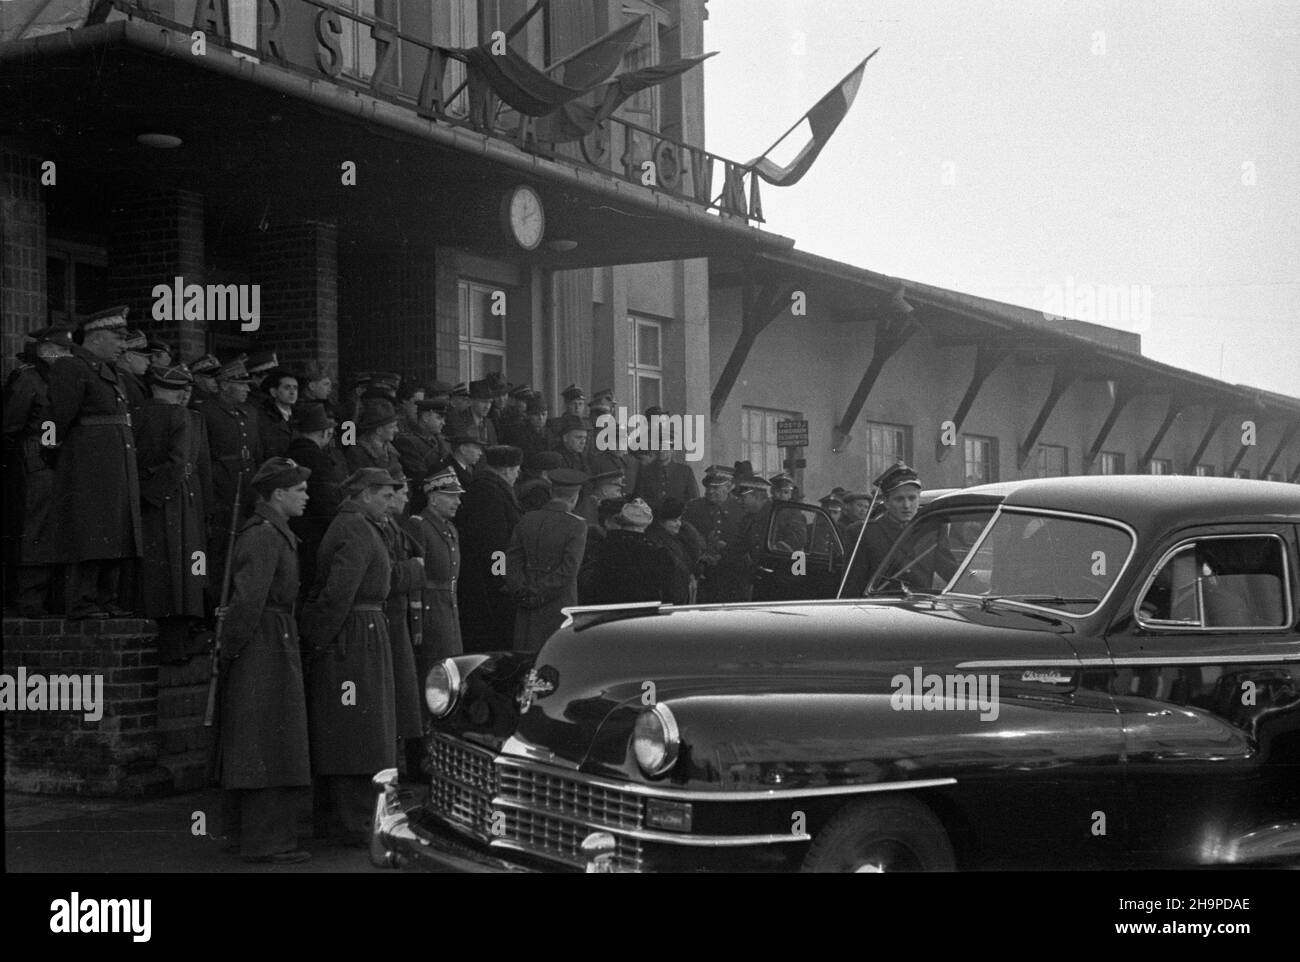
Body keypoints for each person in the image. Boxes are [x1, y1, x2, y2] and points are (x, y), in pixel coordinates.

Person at [215, 456, 313, 864]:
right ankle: (265, 841)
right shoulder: (264, 535)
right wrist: (232, 647)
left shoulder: (274, 532)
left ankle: (262, 837)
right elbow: (248, 600)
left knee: (271, 737)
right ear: (278, 494)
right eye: (299, 490)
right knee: (267, 739)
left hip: (271, 639)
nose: (306, 496)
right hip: (264, 644)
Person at [299, 467, 404, 845]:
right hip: (354, 639)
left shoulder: (360, 525)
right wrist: (318, 639)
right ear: (364, 494)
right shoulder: (355, 529)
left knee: (363, 724)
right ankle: (351, 820)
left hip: (363, 633)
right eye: (386, 496)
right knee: (356, 726)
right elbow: (338, 593)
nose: (392, 503)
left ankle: (352, 818)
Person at [47, 306, 143, 619]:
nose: (122, 345)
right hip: (88, 466)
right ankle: (83, 601)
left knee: (113, 532)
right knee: (90, 533)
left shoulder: (111, 371)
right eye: (117, 338)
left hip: (114, 464)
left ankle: (105, 598)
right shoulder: (72, 368)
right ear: (97, 336)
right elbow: (55, 420)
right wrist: (55, 460)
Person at [135, 363, 212, 660]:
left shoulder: (137, 413)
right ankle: (176, 642)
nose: (183, 396)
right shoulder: (178, 416)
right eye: (179, 390)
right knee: (179, 573)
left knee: (167, 571)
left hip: (152, 501)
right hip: (174, 501)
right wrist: (157, 494)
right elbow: (180, 463)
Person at [2, 324, 73, 616]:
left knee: (50, 532)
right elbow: (9, 426)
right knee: (34, 531)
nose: (68, 356)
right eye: (63, 350)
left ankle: (45, 597)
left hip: (57, 464)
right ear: (46, 351)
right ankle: (28, 598)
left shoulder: (60, 380)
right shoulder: (29, 379)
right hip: (33, 465)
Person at [505, 468, 589, 652]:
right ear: (575, 497)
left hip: (525, 601)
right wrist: (539, 592)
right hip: (558, 604)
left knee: (526, 654)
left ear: (551, 492)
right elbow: (569, 570)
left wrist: (522, 591)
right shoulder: (577, 525)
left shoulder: (527, 519)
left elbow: (510, 562)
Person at [380, 466, 428, 777]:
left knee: (406, 695)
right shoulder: (384, 528)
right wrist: (415, 568)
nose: (406, 498)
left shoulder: (395, 528)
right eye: (402, 493)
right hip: (389, 617)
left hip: (400, 618)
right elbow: (390, 574)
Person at [456, 445, 524, 652]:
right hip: (486, 582)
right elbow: (494, 542)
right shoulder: (489, 492)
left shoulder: (489, 488)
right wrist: (500, 576)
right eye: (516, 470)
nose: (518, 475)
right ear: (506, 470)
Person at [404, 468, 464, 685]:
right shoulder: (418, 525)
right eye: (451, 496)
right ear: (434, 498)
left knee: (451, 669)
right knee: (434, 672)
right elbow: (416, 577)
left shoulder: (450, 528)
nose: (457, 502)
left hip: (448, 609)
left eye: (458, 496)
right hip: (431, 611)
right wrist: (417, 623)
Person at [285, 402, 346, 599]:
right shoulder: (318, 459)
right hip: (316, 538)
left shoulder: (289, 454)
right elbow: (326, 502)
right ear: (323, 433)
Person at [847, 461, 926, 593]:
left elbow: (950, 572)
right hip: (881, 608)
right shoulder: (863, 533)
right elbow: (853, 585)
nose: (906, 505)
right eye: (899, 499)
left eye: (912, 498)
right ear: (887, 503)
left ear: (919, 499)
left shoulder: (931, 531)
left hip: (923, 607)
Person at [584, 498, 675, 605]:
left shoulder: (599, 548)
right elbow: (669, 594)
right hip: (643, 615)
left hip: (605, 613)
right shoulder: (657, 554)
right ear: (647, 523)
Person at [683, 465, 747, 603]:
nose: (710, 491)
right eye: (708, 487)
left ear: (729, 487)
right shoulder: (693, 507)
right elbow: (684, 538)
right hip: (703, 574)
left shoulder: (742, 509)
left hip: (733, 575)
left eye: (715, 488)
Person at [645, 497, 704, 605]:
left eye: (680, 519)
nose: (679, 524)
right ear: (661, 522)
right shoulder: (658, 542)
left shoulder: (678, 538)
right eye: (674, 520)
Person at [394, 398, 451, 499]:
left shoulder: (442, 441)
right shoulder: (408, 442)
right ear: (425, 417)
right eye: (439, 418)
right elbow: (419, 477)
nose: (443, 423)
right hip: (424, 499)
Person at [633, 446, 699, 514]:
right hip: (652, 519)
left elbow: (693, 499)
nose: (661, 450)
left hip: (678, 519)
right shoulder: (645, 471)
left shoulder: (685, 471)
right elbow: (638, 499)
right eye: (658, 447)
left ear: (672, 450)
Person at [344, 398, 402, 475]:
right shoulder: (357, 453)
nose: (396, 430)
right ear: (379, 431)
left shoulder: (392, 452)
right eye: (391, 427)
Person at [257, 368, 298, 459]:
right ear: (274, 392)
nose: (292, 392)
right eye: (287, 388)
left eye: (295, 388)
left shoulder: (301, 414)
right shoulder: (263, 416)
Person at [113, 328, 150, 424]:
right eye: (144, 357)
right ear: (129, 357)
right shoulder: (123, 381)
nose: (148, 362)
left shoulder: (125, 379)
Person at [446, 378, 497, 446]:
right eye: (483, 402)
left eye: (490, 402)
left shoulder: (489, 423)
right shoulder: (458, 421)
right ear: (471, 401)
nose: (487, 406)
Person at [546, 384, 587, 448]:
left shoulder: (587, 425)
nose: (577, 408)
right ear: (566, 404)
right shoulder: (555, 425)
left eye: (580, 404)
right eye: (574, 404)